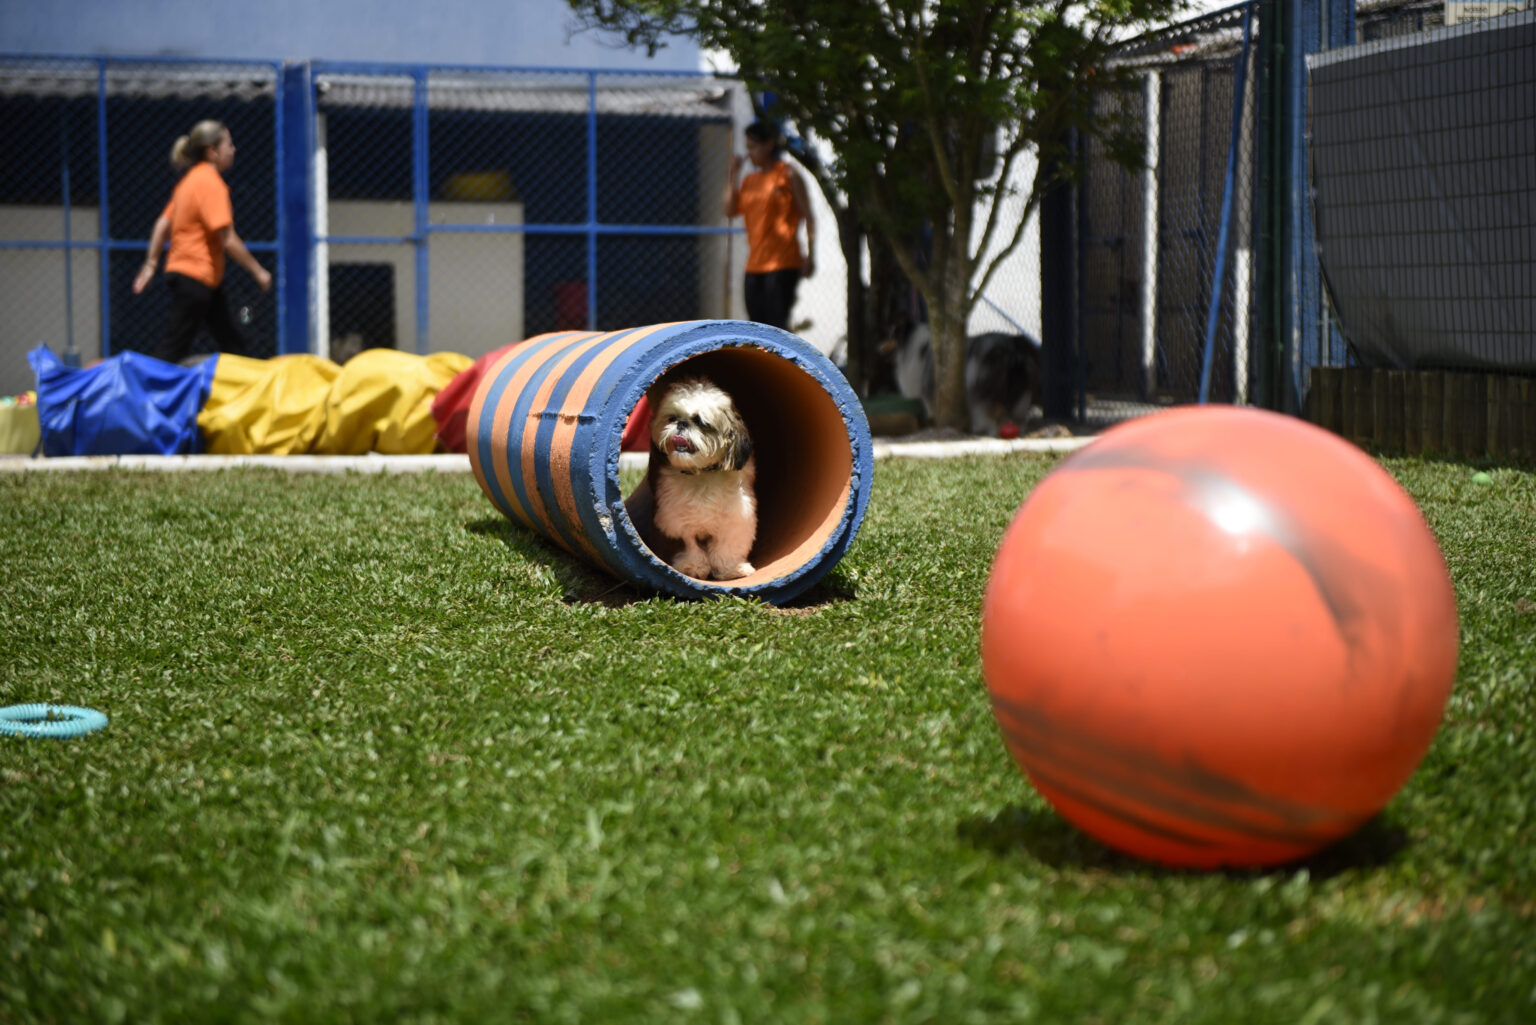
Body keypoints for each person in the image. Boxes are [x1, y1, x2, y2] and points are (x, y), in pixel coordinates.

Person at [133, 120, 272, 363]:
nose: (234, 149)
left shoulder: (187, 182)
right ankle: (141, 393)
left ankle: (247, 391)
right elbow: (227, 239)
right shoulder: (210, 183)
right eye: (228, 144)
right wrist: (258, 271)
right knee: (173, 348)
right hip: (195, 277)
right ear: (212, 151)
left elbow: (162, 224)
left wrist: (151, 263)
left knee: (232, 343)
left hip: (200, 279)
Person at [723, 120, 816, 331]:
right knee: (756, 327)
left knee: (777, 326)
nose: (750, 154)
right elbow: (728, 210)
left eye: (753, 147)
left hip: (783, 262)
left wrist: (810, 255)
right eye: (747, 148)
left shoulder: (788, 174)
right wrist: (732, 175)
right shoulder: (749, 181)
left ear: (769, 145)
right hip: (755, 265)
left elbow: (809, 216)